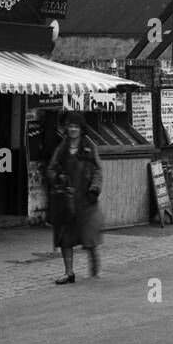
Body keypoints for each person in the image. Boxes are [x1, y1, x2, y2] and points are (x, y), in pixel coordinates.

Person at [47, 112, 104, 284]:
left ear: (81, 129)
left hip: (86, 200)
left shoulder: (88, 147)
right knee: (65, 237)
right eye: (70, 126)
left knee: (89, 236)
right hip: (66, 200)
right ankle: (69, 272)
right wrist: (57, 178)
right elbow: (51, 169)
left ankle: (94, 270)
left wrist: (94, 190)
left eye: (76, 126)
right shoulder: (62, 149)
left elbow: (97, 171)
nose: (72, 129)